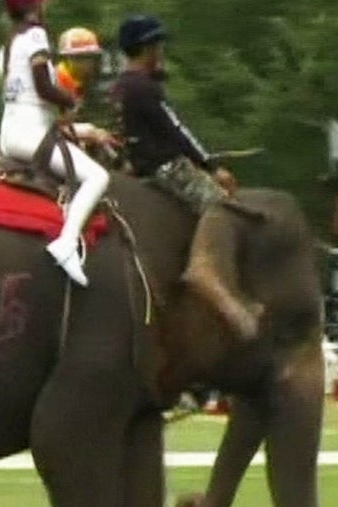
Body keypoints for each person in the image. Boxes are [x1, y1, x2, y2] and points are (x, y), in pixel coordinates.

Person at [108, 14, 259, 339]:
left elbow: (125, 136)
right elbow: (176, 130)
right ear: (146, 48)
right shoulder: (145, 87)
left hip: (137, 168)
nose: (161, 52)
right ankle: (208, 272)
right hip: (167, 168)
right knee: (225, 209)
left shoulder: (119, 87)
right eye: (157, 45)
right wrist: (210, 166)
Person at [0, 0, 109, 287]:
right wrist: (68, 101)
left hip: (12, 130)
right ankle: (67, 243)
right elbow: (42, 87)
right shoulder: (35, 35)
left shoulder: (9, 43)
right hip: (31, 132)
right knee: (98, 177)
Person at [55, 27, 120, 154]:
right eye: (81, 58)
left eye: (90, 58)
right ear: (68, 59)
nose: (88, 64)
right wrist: (90, 133)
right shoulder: (58, 82)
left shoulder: (75, 82)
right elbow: (54, 127)